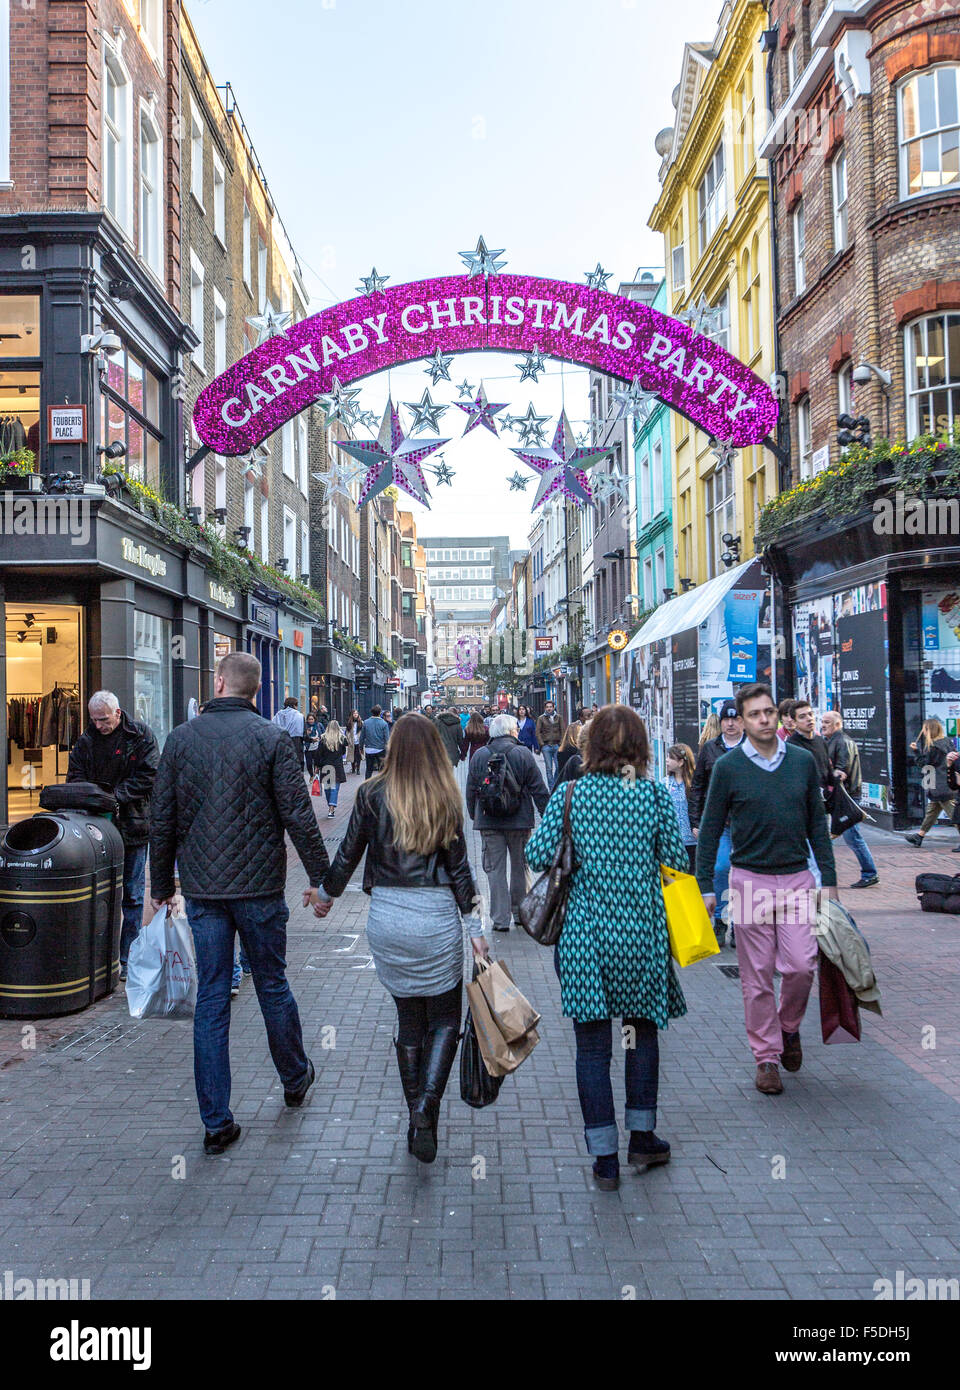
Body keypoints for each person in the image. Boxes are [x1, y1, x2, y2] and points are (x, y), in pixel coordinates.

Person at [149, 651, 330, 1155]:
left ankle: (216, 1122)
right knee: (272, 984)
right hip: (260, 891)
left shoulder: (181, 741)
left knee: (211, 998)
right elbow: (299, 815)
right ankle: (295, 1079)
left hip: (205, 891)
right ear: (255, 690)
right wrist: (323, 882)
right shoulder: (271, 739)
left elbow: (161, 821)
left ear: (221, 682)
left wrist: (161, 885)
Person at [525, 705, 690, 1192]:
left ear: (591, 746)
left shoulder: (571, 795)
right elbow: (677, 860)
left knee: (592, 1050)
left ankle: (604, 1159)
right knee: (640, 1035)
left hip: (585, 939)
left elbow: (537, 855)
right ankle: (643, 1135)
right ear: (640, 748)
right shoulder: (655, 795)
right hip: (642, 936)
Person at [312, 714, 488, 1164]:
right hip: (435, 920)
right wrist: (476, 932)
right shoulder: (444, 797)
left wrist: (326, 896)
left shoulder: (371, 794)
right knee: (446, 1019)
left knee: (409, 1020)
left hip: (388, 921)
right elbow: (461, 873)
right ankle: (427, 1108)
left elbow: (347, 853)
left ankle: (416, 1113)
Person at [695, 683, 837, 1097]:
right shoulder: (728, 768)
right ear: (740, 718)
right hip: (749, 880)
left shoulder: (800, 762)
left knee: (799, 966)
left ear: (778, 716)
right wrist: (706, 885)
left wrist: (828, 880)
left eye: (768, 712)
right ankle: (766, 1058)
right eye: (753, 714)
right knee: (756, 977)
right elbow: (710, 830)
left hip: (796, 879)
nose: (762, 719)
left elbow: (817, 825)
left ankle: (788, 1028)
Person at [67, 690, 160, 983]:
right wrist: (94, 798)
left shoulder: (140, 736)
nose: (99, 726)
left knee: (132, 895)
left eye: (104, 720)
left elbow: (150, 775)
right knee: (101, 892)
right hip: (96, 826)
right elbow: (75, 776)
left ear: (118, 713)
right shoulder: (86, 740)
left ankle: (127, 955)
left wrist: (116, 797)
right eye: (95, 720)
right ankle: (101, 957)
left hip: (132, 825)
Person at [466, 712, 550, 933]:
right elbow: (539, 790)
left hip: (489, 821)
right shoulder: (523, 753)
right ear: (512, 731)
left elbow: (471, 789)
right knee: (521, 867)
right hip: (520, 821)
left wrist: (475, 815)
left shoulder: (480, 755)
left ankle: (500, 919)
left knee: (495, 871)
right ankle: (521, 914)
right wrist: (549, 818)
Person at [691, 700, 744, 945]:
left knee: (746, 874)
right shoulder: (710, 749)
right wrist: (695, 820)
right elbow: (698, 786)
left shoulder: (752, 746)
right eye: (726, 719)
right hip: (720, 822)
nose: (731, 724)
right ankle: (722, 921)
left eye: (735, 719)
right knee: (721, 868)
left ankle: (742, 924)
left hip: (748, 824)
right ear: (720, 722)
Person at [821, 710, 878, 887]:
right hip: (838, 796)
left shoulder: (842, 741)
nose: (823, 725)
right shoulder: (831, 740)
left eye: (827, 722)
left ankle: (870, 873)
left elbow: (841, 770)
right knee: (842, 835)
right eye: (822, 721)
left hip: (847, 796)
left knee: (853, 836)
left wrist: (830, 776)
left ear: (837, 724)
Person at [906, 719, 960, 848]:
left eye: (925, 729)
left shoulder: (933, 747)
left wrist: (915, 751)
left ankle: (919, 836)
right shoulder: (947, 742)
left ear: (929, 730)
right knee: (932, 811)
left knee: (955, 814)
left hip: (940, 786)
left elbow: (924, 764)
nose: (923, 732)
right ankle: (920, 836)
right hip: (944, 783)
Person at [664, 742, 697, 874]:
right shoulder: (664, 783)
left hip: (692, 841)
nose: (667, 760)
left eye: (670, 757)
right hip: (672, 841)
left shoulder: (694, 784)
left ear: (681, 762)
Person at [316, 719, 348, 818]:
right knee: (334, 788)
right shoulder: (342, 739)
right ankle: (331, 808)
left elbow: (319, 754)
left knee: (328, 788)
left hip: (326, 766)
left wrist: (317, 766)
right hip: (337, 766)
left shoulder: (323, 739)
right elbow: (343, 752)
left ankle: (330, 806)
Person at [536, 700, 563, 789]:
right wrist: (542, 744)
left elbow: (563, 730)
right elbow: (538, 732)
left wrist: (561, 743)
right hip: (546, 746)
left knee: (559, 766)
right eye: (547, 707)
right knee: (549, 769)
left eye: (550, 707)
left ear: (553, 707)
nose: (549, 708)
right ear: (545, 708)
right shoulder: (541, 718)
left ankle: (555, 783)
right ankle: (551, 787)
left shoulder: (559, 717)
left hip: (556, 745)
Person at [273, 697, 305, 770]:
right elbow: (304, 734)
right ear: (294, 705)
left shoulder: (278, 715)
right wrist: (311, 740)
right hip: (295, 746)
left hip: (280, 745)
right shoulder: (299, 716)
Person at [360, 704, 391, 779]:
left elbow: (362, 736)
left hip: (369, 749)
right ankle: (381, 786)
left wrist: (361, 747)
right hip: (380, 749)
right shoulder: (384, 723)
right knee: (382, 770)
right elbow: (387, 738)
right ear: (380, 712)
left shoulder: (366, 722)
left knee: (369, 770)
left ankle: (367, 786)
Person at [304, 713, 321, 777]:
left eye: (312, 719)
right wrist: (308, 735)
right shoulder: (305, 726)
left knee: (317, 763)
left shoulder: (318, 725)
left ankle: (316, 776)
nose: (310, 721)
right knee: (309, 764)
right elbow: (303, 736)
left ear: (314, 719)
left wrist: (319, 738)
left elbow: (322, 734)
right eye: (309, 719)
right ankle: (311, 775)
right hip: (308, 747)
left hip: (317, 747)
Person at [345, 710, 363, 774]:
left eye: (356, 713)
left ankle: (358, 769)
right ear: (352, 715)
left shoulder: (361, 722)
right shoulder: (349, 723)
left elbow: (362, 732)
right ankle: (353, 769)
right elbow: (347, 732)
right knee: (352, 756)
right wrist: (348, 739)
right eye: (354, 713)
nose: (355, 714)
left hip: (358, 741)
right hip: (351, 741)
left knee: (358, 756)